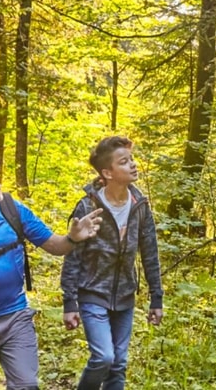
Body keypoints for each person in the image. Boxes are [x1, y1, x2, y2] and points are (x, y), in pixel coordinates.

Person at [0, 151, 104, 390]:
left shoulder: (13, 209)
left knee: (26, 385)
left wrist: (72, 238)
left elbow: (55, 246)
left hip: (16, 317)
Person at [61, 136, 163, 390]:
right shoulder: (88, 205)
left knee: (118, 364)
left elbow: (150, 252)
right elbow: (73, 255)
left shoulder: (140, 205)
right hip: (92, 292)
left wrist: (156, 297)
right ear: (107, 173)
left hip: (125, 295)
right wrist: (69, 301)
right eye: (124, 162)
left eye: (132, 159)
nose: (133, 165)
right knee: (104, 357)